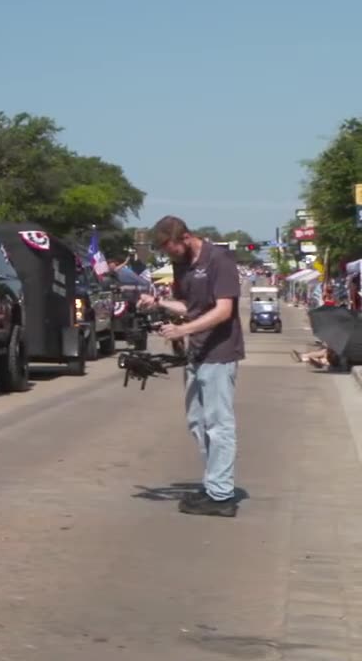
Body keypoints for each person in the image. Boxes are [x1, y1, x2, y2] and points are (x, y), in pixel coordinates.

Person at [144, 215, 243, 517]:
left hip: (220, 352)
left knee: (218, 423)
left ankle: (222, 495)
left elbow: (224, 310)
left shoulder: (219, 260)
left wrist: (183, 331)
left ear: (185, 237)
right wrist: (159, 303)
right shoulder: (182, 264)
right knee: (197, 423)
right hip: (197, 354)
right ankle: (214, 483)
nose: (169, 256)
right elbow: (190, 307)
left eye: (170, 249)